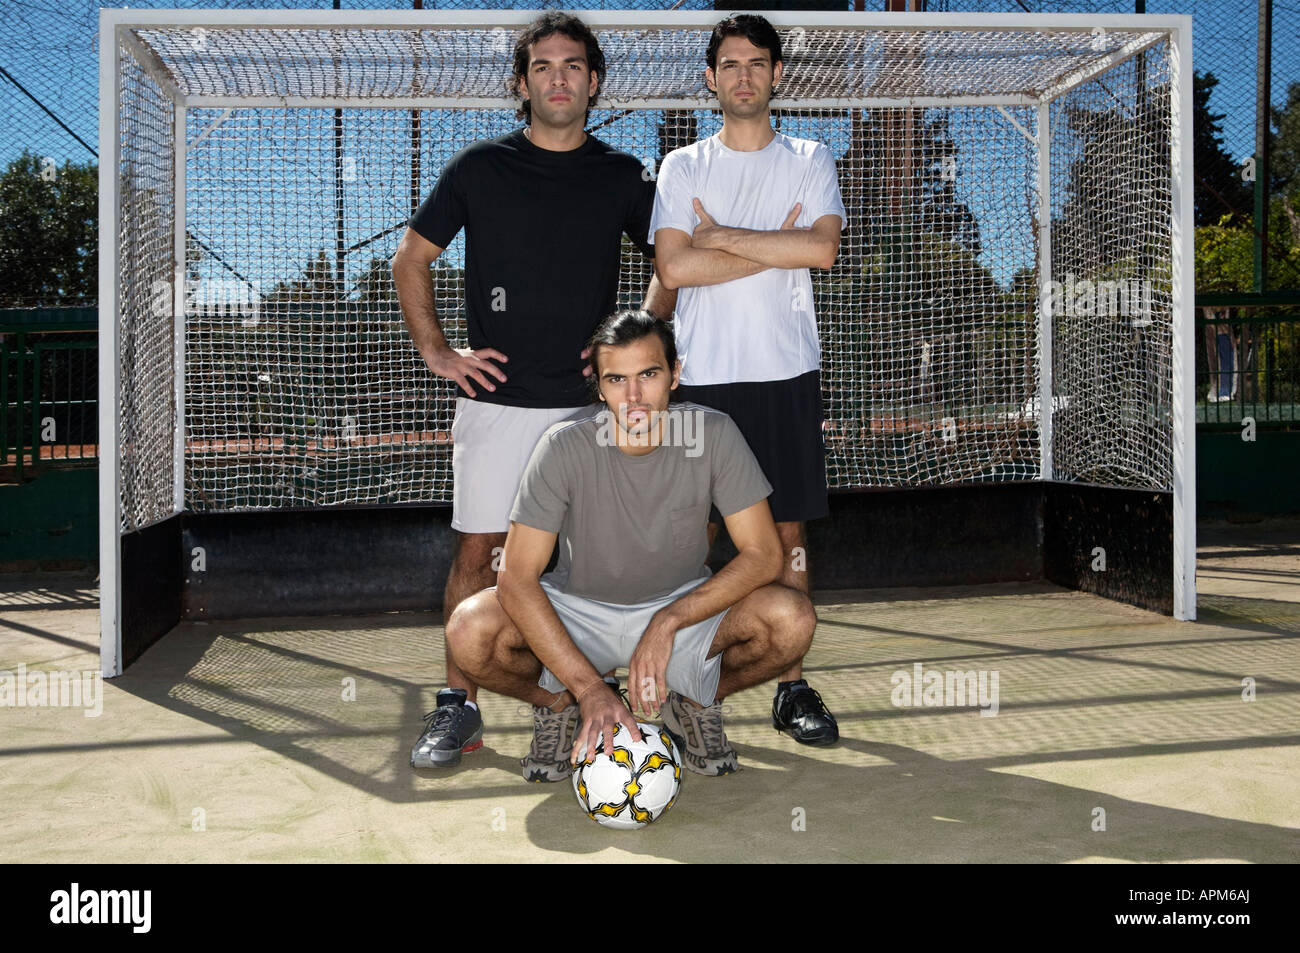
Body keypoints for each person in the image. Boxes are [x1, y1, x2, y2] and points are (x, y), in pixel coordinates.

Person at [392, 12, 673, 768]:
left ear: (593, 81)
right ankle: (459, 707)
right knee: (480, 552)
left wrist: (632, 347)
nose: (559, 78)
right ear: (521, 83)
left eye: (573, 66)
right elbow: (409, 261)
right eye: (543, 66)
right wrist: (440, 351)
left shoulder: (621, 175)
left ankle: (606, 691)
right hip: (497, 402)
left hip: (592, 410)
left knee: (600, 559)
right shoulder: (479, 169)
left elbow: (671, 263)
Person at [445, 310, 816, 779]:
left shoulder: (713, 434)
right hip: (579, 614)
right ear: (599, 387)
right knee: (469, 631)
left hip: (682, 616)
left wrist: (669, 620)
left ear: (676, 375)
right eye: (617, 379)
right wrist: (587, 688)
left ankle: (693, 700)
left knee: (791, 619)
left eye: (649, 374)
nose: (634, 395)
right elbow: (516, 579)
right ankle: (561, 705)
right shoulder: (562, 447)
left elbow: (764, 555)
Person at [650, 13, 845, 745]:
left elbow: (822, 251)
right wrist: (778, 245)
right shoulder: (683, 166)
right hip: (702, 380)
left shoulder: (809, 156)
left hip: (783, 373)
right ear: (711, 78)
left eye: (756, 63)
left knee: (787, 535)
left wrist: (723, 237)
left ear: (776, 74)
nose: (743, 76)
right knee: (688, 537)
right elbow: (674, 268)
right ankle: (675, 677)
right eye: (729, 64)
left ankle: (790, 688)